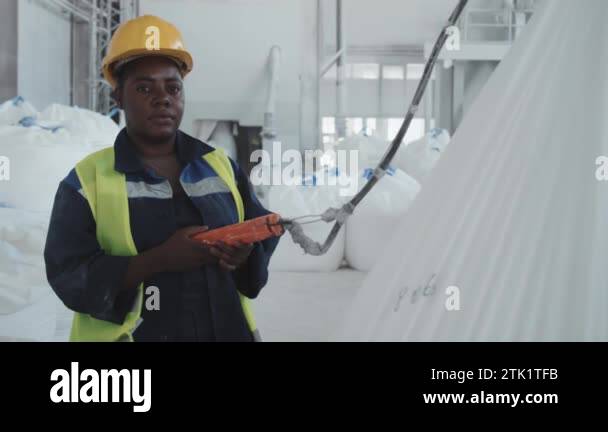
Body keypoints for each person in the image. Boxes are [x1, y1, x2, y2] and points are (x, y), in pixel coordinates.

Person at [44, 15, 278, 342]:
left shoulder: (220, 166)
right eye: (144, 87)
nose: (162, 98)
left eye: (173, 87)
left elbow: (258, 235)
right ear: (118, 99)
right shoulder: (87, 181)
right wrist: (157, 261)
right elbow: (68, 274)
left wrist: (243, 256)